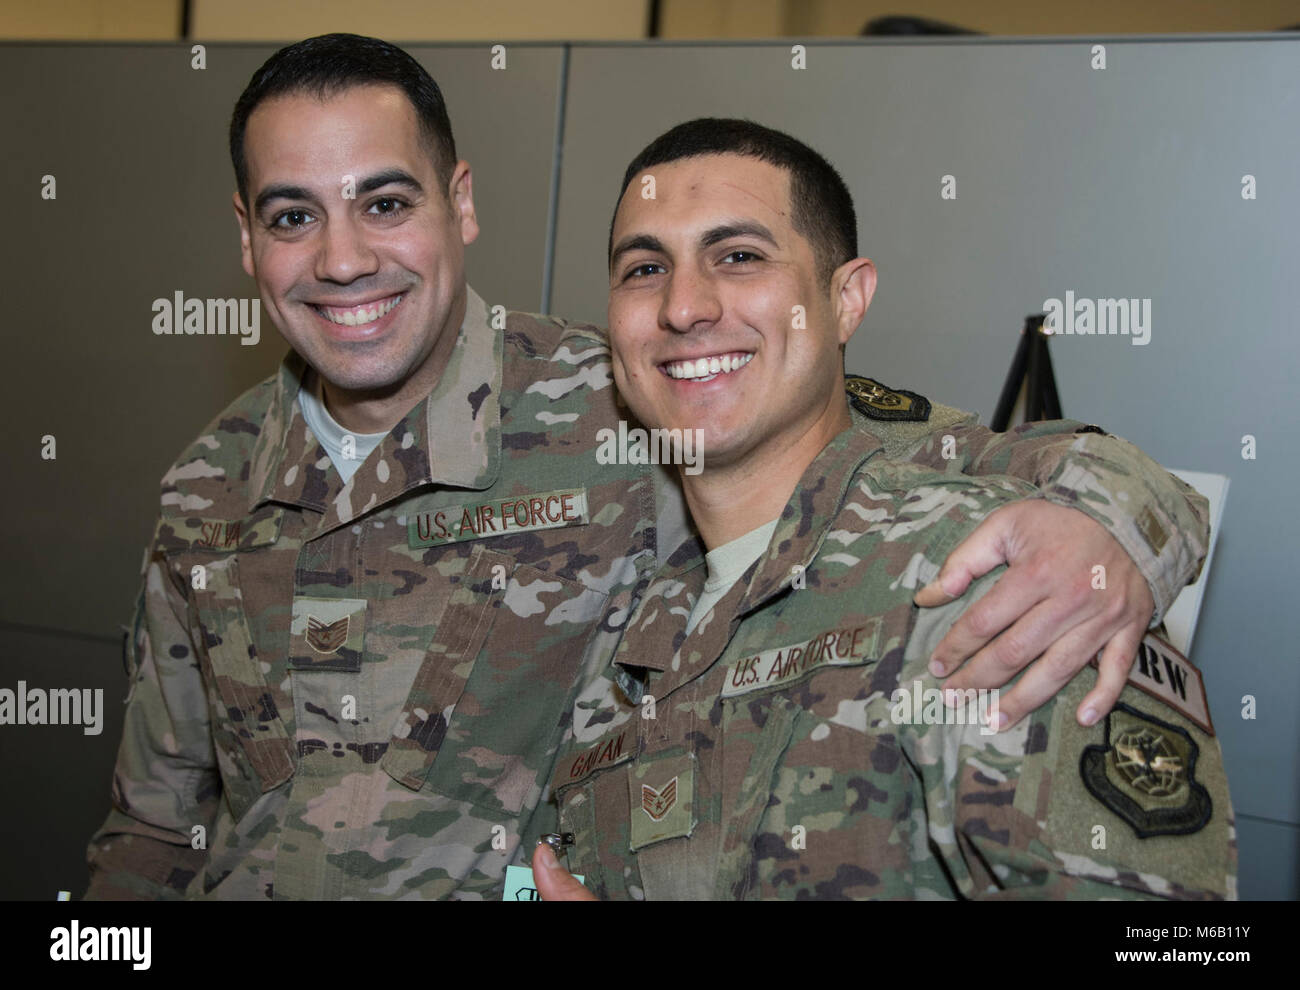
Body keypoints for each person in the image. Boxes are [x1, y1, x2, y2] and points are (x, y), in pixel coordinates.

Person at [84, 35, 1212, 900]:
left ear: (460, 203)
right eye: (293, 217)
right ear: (245, 240)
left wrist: (1112, 530)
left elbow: (965, 459)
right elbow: (151, 822)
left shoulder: (636, 393)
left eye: (384, 201)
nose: (342, 259)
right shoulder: (209, 484)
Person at [532, 119, 1233, 900]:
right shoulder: (643, 630)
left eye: (739, 257)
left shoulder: (1002, 577)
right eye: (644, 267)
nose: (684, 305)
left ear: (846, 301)